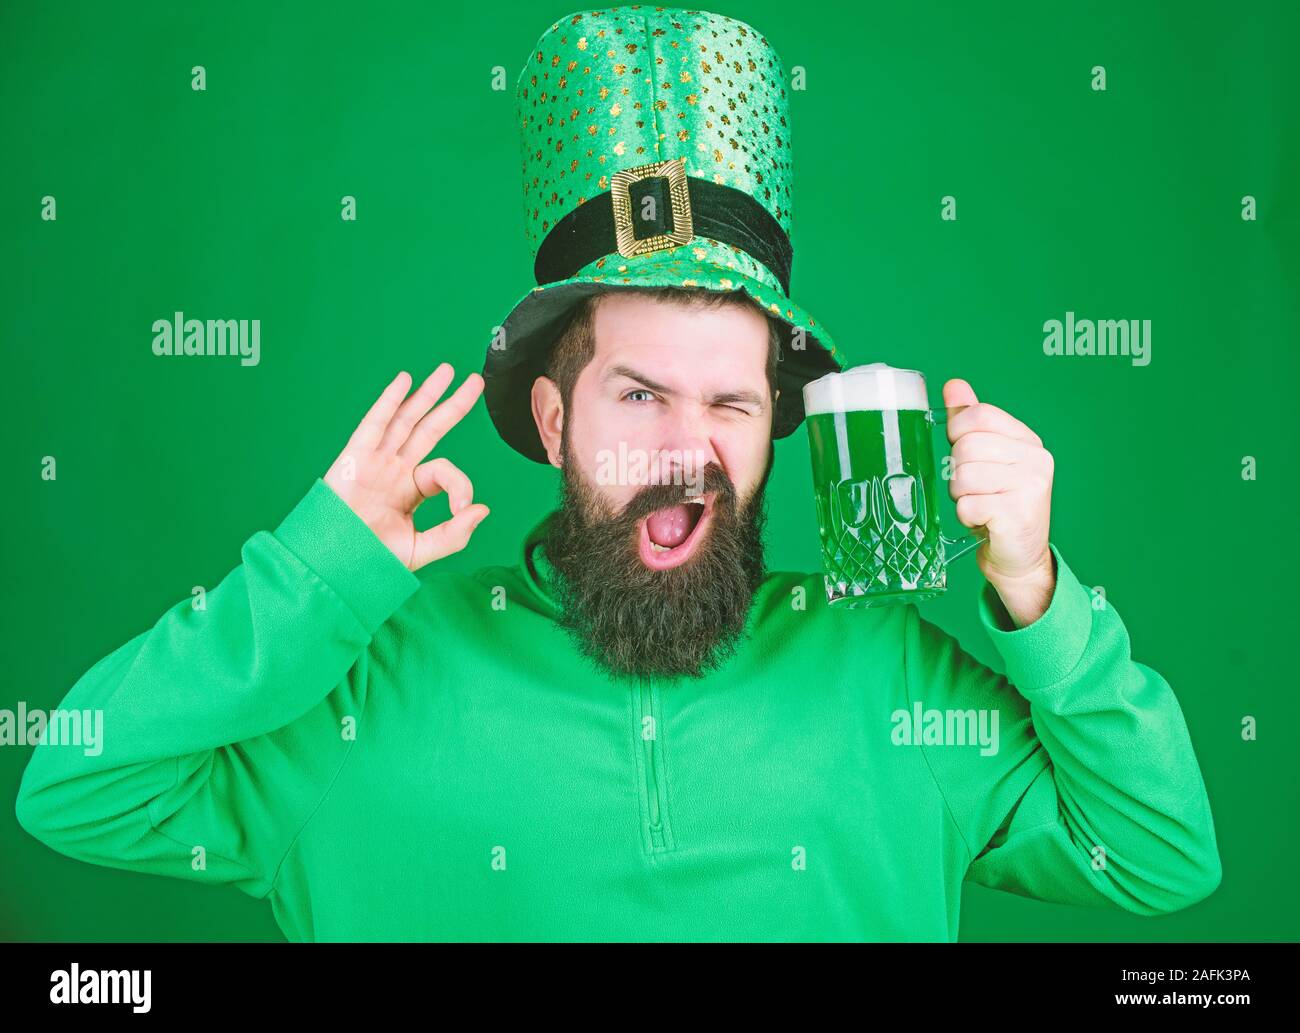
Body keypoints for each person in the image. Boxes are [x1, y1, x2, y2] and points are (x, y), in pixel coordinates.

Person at [15, 7, 1220, 941]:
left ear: (771, 429)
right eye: (637, 393)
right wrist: (316, 571)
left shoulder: (881, 666)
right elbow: (76, 782)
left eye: (731, 403)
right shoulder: (365, 676)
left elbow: (1162, 856)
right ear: (550, 416)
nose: (682, 451)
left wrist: (1037, 595)